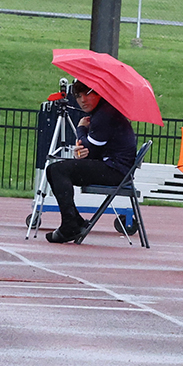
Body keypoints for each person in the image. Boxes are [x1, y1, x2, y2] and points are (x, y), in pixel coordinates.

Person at [43, 80, 138, 244]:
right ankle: (74, 221)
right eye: (78, 96)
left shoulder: (104, 115)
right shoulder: (103, 112)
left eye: (87, 94)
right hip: (112, 167)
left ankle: (70, 224)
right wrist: (84, 147)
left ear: (99, 93)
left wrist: (81, 129)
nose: (82, 100)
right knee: (53, 170)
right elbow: (89, 151)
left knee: (58, 170)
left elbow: (89, 149)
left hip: (115, 171)